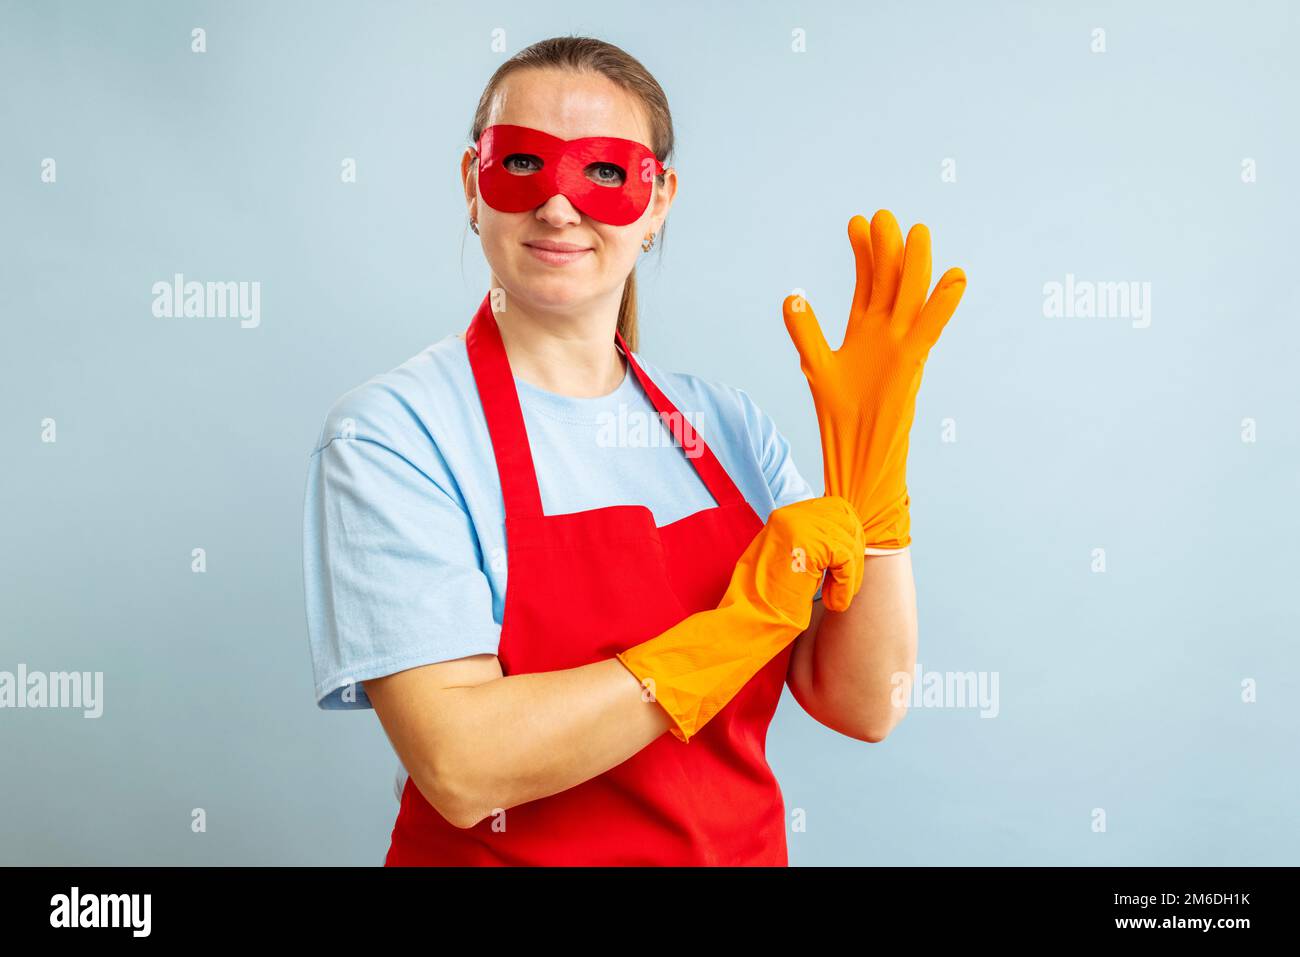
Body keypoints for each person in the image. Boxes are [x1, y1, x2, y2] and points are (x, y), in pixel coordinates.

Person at [302, 36, 964, 866]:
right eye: (522, 166)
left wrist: (875, 498)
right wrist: (733, 630)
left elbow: (866, 703)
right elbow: (461, 764)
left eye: (605, 174)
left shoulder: (728, 429)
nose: (557, 206)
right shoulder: (396, 434)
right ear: (472, 185)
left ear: (658, 204)